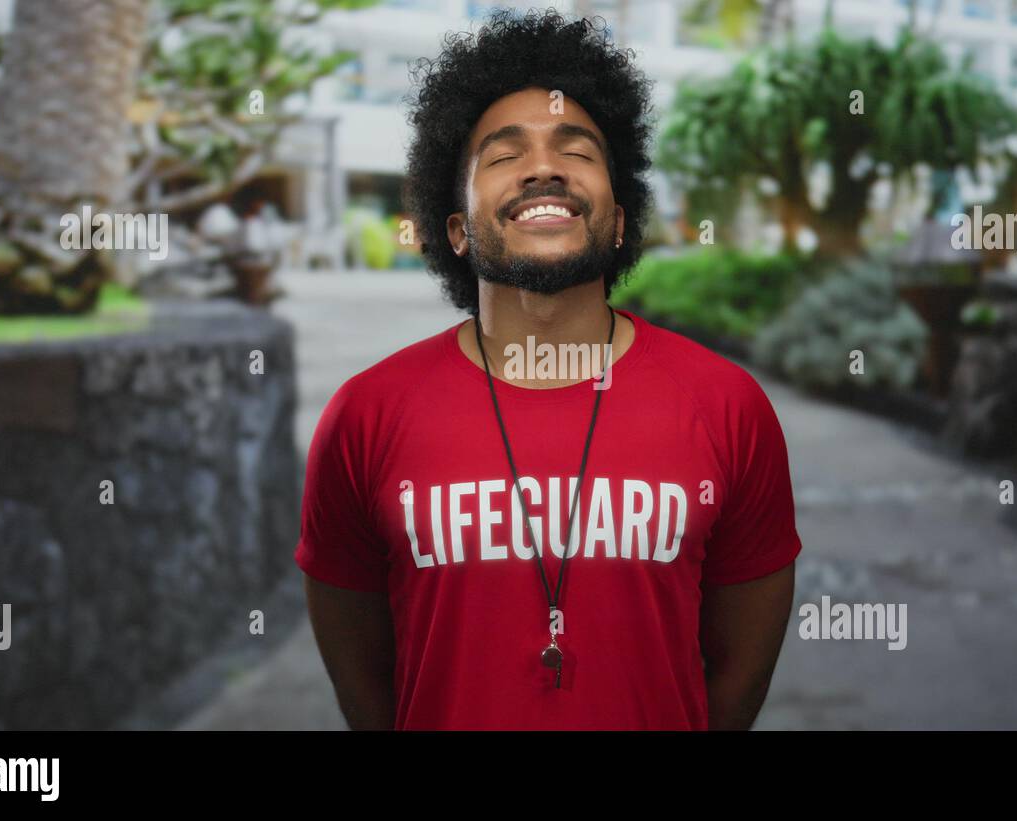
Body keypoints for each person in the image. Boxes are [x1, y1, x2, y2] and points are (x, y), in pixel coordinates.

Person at [296, 9, 802, 730]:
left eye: (577, 149)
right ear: (458, 230)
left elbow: (737, 674)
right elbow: (368, 682)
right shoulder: (365, 415)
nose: (544, 166)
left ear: (621, 220)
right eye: (504, 155)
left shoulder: (728, 406)